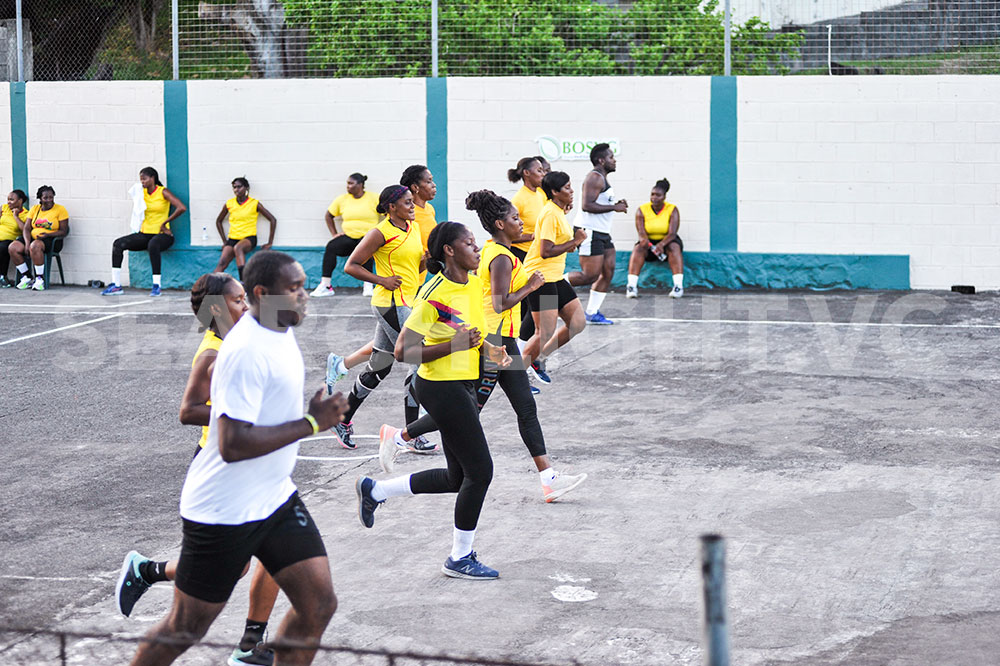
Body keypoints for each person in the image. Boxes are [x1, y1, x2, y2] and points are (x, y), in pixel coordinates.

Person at [127, 251, 348, 666]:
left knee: (318, 605)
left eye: (304, 286)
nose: (305, 296)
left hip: (274, 496)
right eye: (295, 288)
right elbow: (230, 444)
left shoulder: (279, 325)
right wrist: (311, 423)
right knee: (185, 628)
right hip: (223, 510)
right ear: (262, 294)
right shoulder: (242, 350)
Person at [115, 272, 281, 666]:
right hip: (221, 468)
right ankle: (149, 573)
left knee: (267, 558)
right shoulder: (211, 353)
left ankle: (248, 643)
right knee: (236, 567)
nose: (248, 305)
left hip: (254, 464)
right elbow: (188, 411)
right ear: (217, 310)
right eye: (240, 300)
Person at [380, 192, 587, 502]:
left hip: (498, 343)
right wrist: (531, 287)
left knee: (523, 407)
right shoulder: (500, 257)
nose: (521, 223)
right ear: (500, 223)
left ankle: (548, 478)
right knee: (468, 412)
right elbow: (499, 302)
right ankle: (400, 436)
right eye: (516, 219)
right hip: (491, 339)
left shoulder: (496, 251)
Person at [356, 222, 512, 579]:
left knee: (459, 478)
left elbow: (465, 332)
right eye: (469, 244)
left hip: (463, 384)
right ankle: (459, 557)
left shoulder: (472, 284)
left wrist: (489, 350)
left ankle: (376, 490)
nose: (477, 249)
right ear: (449, 251)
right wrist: (455, 345)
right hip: (441, 388)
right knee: (481, 472)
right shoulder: (432, 295)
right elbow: (402, 351)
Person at [329, 185, 426, 452]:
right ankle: (411, 434)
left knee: (380, 366)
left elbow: (412, 267)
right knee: (417, 363)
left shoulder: (412, 228)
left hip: (407, 302)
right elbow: (352, 265)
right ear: (391, 207)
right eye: (407, 202)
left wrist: (426, 262)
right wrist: (381, 280)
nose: (412, 206)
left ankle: (342, 418)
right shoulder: (380, 232)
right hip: (390, 304)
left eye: (412, 201)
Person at [521, 172, 587, 385]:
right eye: (567, 188)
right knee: (544, 331)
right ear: (555, 192)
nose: (572, 190)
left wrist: (565, 214)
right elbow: (546, 250)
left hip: (555, 277)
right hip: (542, 278)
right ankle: (517, 376)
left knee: (577, 323)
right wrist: (575, 241)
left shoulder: (557, 211)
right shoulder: (550, 213)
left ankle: (538, 358)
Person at [566, 143, 627, 325]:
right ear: (601, 160)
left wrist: (615, 204)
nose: (614, 160)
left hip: (602, 233)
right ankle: (550, 283)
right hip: (588, 232)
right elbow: (587, 205)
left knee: (608, 271)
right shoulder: (594, 177)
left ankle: (592, 312)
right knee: (589, 275)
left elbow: (598, 202)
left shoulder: (602, 179)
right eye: (611, 157)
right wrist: (615, 207)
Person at [103, 166, 187, 297]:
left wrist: (165, 223)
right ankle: (116, 285)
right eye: (140, 180)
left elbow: (181, 207)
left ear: (152, 178)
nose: (142, 182)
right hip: (144, 233)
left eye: (144, 179)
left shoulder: (162, 192)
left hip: (163, 235)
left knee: (153, 244)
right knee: (118, 244)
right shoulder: (141, 193)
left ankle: (156, 286)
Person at [311, 173, 379, 298]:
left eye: (351, 183)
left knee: (366, 247)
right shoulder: (342, 199)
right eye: (347, 183)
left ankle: (368, 286)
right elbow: (329, 215)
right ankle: (326, 286)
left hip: (368, 237)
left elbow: (388, 214)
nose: (348, 186)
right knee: (331, 246)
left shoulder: (374, 198)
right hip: (349, 237)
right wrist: (334, 234)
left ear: (360, 185)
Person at [627, 178, 684, 299]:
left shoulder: (672, 209)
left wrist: (661, 245)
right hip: (649, 242)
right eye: (652, 194)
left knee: (674, 247)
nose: (654, 197)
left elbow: (672, 233)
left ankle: (678, 287)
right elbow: (641, 233)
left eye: (658, 195)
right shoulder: (642, 210)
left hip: (668, 241)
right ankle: (631, 286)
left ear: (664, 197)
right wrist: (646, 242)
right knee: (638, 248)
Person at [213, 177, 277, 281]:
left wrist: (270, 242)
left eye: (239, 187)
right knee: (222, 263)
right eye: (234, 187)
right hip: (233, 238)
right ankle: (210, 287)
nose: (236, 190)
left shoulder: (254, 203)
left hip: (249, 238)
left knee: (238, 248)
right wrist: (224, 241)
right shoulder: (229, 204)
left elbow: (272, 220)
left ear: (246, 188)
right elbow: (218, 221)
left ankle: (244, 283)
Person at [9, 185, 69, 291]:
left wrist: (48, 235)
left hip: (52, 240)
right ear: (40, 198)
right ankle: (27, 276)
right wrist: (27, 243)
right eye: (46, 198)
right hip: (33, 238)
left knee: (35, 246)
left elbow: (63, 231)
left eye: (51, 197)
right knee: (13, 247)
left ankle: (40, 279)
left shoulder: (60, 210)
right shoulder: (35, 209)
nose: (49, 200)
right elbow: (27, 228)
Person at [400, 164, 437, 260]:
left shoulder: (430, 209)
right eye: (429, 181)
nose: (434, 185)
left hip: (423, 270)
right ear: (415, 187)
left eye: (432, 180)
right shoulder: (405, 213)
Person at [0, 189, 29, 288]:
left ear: (20, 201)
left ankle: (2, 276)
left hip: (9, 240)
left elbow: (25, 229)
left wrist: (16, 216)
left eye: (12, 200)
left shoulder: (26, 214)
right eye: (8, 199)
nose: (8, 202)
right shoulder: (4, 208)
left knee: (3, 247)